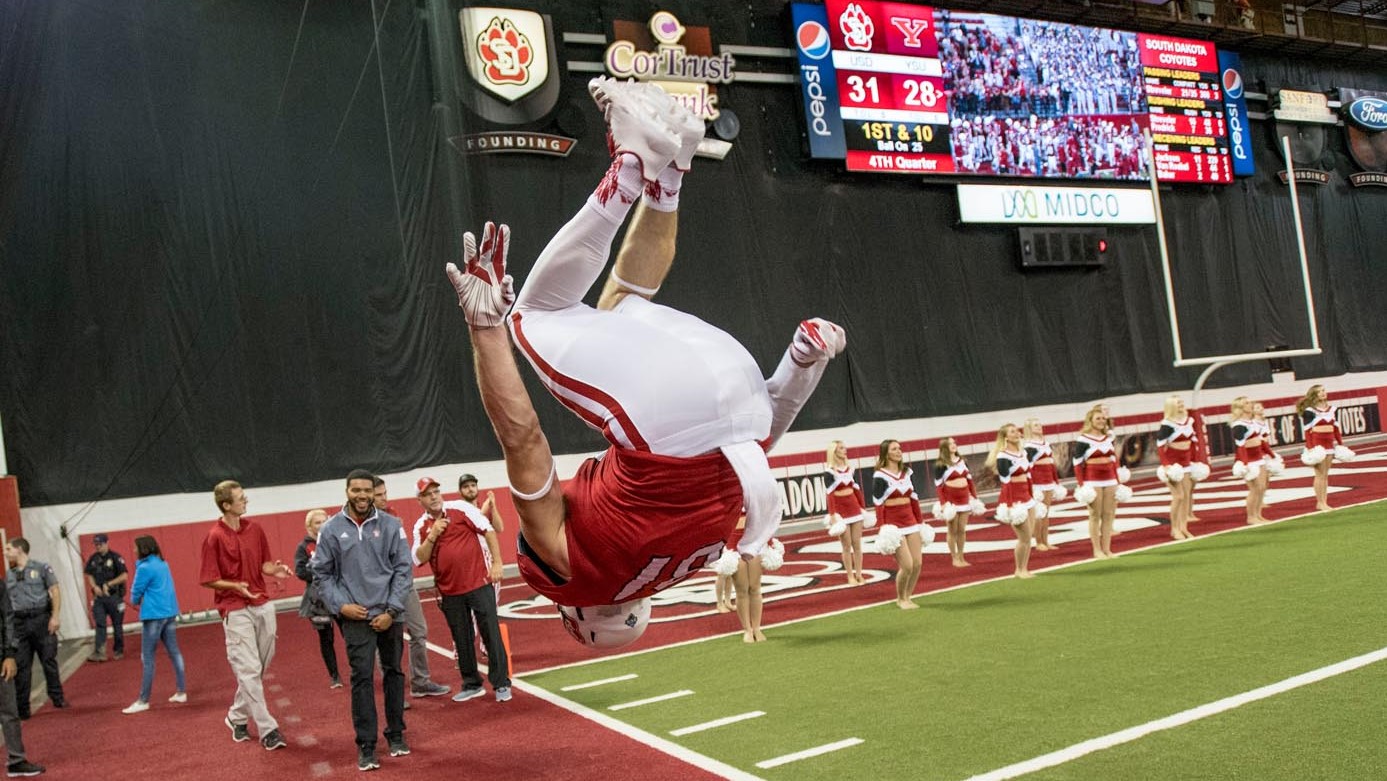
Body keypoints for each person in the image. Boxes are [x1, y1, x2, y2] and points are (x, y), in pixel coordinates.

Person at [444, 77, 844, 648]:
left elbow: (751, 446)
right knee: (533, 314)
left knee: (616, 309)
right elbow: (524, 441)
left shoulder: (698, 559)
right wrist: (483, 328)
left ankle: (673, 171)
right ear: (581, 613)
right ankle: (631, 166)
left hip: (744, 398)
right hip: (668, 425)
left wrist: (803, 361)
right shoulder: (572, 575)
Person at [312, 470, 414, 772]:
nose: (361, 495)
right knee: (362, 679)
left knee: (394, 673)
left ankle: (396, 735)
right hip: (355, 616)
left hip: (389, 615)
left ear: (374, 493)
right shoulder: (330, 529)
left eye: (367, 490)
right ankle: (367, 746)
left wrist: (392, 611)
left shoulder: (392, 525)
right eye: (356, 490)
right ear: (346, 491)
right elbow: (322, 574)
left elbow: (403, 570)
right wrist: (342, 606)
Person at [198, 480, 290, 750]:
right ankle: (267, 729)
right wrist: (234, 585)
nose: (245, 501)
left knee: (260, 664)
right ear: (226, 505)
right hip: (234, 608)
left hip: (261, 602)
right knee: (249, 670)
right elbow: (208, 579)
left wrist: (276, 570)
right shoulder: (214, 537)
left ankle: (237, 715)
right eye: (240, 498)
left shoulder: (256, 529)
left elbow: (264, 564)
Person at [410, 477, 510, 704]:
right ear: (420, 500)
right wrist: (433, 534)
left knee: (490, 633)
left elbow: (489, 530)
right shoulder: (420, 526)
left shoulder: (461, 508)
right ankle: (471, 683)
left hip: (479, 583)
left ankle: (501, 682)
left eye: (436, 491)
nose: (434, 496)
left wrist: (497, 563)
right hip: (449, 590)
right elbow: (417, 559)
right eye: (428, 494)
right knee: (461, 638)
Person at [371, 478, 449, 700]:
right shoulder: (364, 523)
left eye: (385, 493)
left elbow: (403, 552)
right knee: (387, 640)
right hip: (380, 590)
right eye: (378, 495)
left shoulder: (393, 514)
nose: (384, 498)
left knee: (419, 631)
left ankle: (420, 682)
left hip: (403, 583)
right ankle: (394, 692)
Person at [121, 535, 187, 714]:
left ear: (142, 549)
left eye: (135, 548)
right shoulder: (163, 564)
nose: (133, 551)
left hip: (153, 616)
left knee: (148, 658)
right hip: (169, 613)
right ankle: (181, 691)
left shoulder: (144, 568)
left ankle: (143, 700)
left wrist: (135, 600)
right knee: (174, 652)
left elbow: (135, 592)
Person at [4, 539, 66, 718]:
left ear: (20, 549)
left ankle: (57, 697)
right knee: (22, 666)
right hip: (19, 624)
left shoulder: (41, 568)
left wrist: (55, 616)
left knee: (48, 660)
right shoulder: (10, 575)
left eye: (9, 549)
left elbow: (55, 590)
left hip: (41, 619)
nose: (5, 552)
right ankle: (23, 708)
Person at [0, 575, 46, 776]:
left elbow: (7, 617)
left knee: (9, 711)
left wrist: (10, 653)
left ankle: (16, 760)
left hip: (1, 659)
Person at [872, 440, 925, 609]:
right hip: (893, 527)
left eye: (899, 448)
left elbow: (914, 499)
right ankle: (900, 598)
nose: (898, 451)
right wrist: (883, 529)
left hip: (911, 521)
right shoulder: (880, 476)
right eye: (894, 449)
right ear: (886, 453)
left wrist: (920, 522)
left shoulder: (908, 472)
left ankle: (908, 596)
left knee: (917, 563)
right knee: (907, 565)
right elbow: (879, 504)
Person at [1071, 406, 1130, 559]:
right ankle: (1097, 550)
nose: (1101, 421)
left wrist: (1118, 482)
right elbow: (1077, 464)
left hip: (1110, 479)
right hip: (1092, 480)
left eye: (1103, 419)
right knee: (1095, 515)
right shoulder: (1083, 440)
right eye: (1098, 418)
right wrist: (1082, 484)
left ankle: (1107, 549)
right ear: (1090, 421)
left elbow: (1113, 460)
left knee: (1109, 514)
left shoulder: (1108, 438)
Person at [294, 509, 342, 689]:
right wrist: (320, 575)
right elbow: (301, 571)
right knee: (326, 637)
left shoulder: (334, 540)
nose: (322, 524)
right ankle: (335, 676)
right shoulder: (304, 547)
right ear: (309, 526)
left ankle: (357, 671)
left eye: (324, 520)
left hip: (339, 595)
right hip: (318, 600)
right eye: (317, 522)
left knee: (350, 632)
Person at [986, 424, 1036, 579]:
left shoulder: (1023, 453)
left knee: (1029, 537)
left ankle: (1025, 568)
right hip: (1015, 501)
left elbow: (1028, 477)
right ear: (1005, 437)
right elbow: (1006, 483)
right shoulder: (1003, 457)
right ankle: (1019, 569)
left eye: (1017, 431)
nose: (1017, 433)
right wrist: (1009, 506)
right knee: (1024, 538)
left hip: (1028, 498)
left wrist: (1032, 497)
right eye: (1013, 431)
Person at [1297, 384, 1354, 511]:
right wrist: (1311, 448)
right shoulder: (1310, 412)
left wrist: (1340, 444)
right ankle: (1320, 502)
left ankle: (1324, 502)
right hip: (1318, 446)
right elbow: (1307, 432)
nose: (1323, 393)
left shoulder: (1333, 409)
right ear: (1314, 395)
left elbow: (1336, 429)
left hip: (1329, 445)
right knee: (1319, 474)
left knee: (1325, 475)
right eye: (1319, 392)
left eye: (1323, 390)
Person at [1156, 396, 1200, 541]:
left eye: (1182, 402)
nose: (1181, 405)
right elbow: (1161, 447)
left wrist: (1195, 461)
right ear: (1171, 406)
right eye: (1178, 403)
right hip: (1173, 464)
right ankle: (1174, 529)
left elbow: (1192, 443)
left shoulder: (1189, 421)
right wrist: (1166, 465)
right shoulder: (1167, 424)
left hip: (1186, 462)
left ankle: (1184, 528)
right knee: (1178, 496)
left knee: (1186, 496)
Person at [931, 436, 979, 567]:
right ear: (944, 448)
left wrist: (974, 497)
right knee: (952, 530)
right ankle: (954, 558)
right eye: (949, 444)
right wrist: (943, 503)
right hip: (951, 500)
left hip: (964, 498)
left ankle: (961, 556)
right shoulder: (940, 465)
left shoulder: (963, 461)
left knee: (962, 529)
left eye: (954, 443)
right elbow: (939, 486)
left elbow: (970, 481)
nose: (953, 445)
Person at [823, 440, 866, 585]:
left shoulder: (850, 468)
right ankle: (850, 575)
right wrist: (833, 514)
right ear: (834, 452)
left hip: (854, 508)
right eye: (841, 448)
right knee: (846, 545)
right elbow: (830, 495)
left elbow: (856, 490)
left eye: (844, 448)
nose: (844, 450)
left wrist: (862, 507)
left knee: (857, 543)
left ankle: (859, 573)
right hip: (841, 512)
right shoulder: (829, 472)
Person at [83, 533, 127, 662]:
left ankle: (118, 650)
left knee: (117, 625)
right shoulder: (93, 559)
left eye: (100, 544)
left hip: (114, 597)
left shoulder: (115, 558)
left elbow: (124, 576)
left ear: (106, 543)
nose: (98, 546)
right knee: (100, 624)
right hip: (99, 598)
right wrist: (94, 586)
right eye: (96, 544)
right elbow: (89, 574)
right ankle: (99, 652)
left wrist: (109, 584)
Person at [1022, 419, 1066, 550]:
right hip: (1037, 483)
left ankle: (1046, 541)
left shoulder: (1046, 444)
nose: (1039, 427)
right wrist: (1030, 486)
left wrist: (1056, 482)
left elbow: (1051, 465)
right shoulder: (1029, 446)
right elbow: (1027, 468)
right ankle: (1038, 542)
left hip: (1048, 481)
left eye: (1040, 424)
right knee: (1038, 514)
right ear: (1029, 428)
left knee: (1046, 513)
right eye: (1036, 425)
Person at [1229, 396, 1273, 525]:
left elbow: (1261, 441)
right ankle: (1251, 516)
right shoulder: (1238, 425)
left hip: (1259, 457)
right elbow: (1240, 446)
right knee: (1255, 488)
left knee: (1262, 487)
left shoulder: (1253, 422)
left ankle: (1258, 515)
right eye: (1247, 403)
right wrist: (1244, 463)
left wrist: (1272, 455)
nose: (1251, 404)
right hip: (1248, 459)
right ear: (1240, 408)